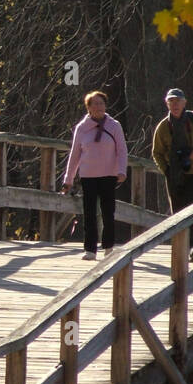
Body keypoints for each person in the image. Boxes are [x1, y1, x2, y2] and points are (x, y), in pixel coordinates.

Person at [63, 91, 128, 261]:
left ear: (105, 106)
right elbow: (75, 154)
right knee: (89, 212)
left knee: (108, 212)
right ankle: (90, 249)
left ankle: (108, 246)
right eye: (94, 104)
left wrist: (122, 170)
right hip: (88, 175)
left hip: (109, 174)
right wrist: (68, 179)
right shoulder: (82, 128)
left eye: (101, 103)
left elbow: (122, 150)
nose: (98, 107)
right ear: (89, 108)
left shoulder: (114, 126)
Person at [151, 88, 193, 262]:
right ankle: (180, 247)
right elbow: (156, 152)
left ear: (185, 103)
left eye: (178, 101)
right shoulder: (163, 126)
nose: (175, 104)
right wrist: (167, 171)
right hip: (175, 174)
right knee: (177, 212)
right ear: (167, 104)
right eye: (171, 101)